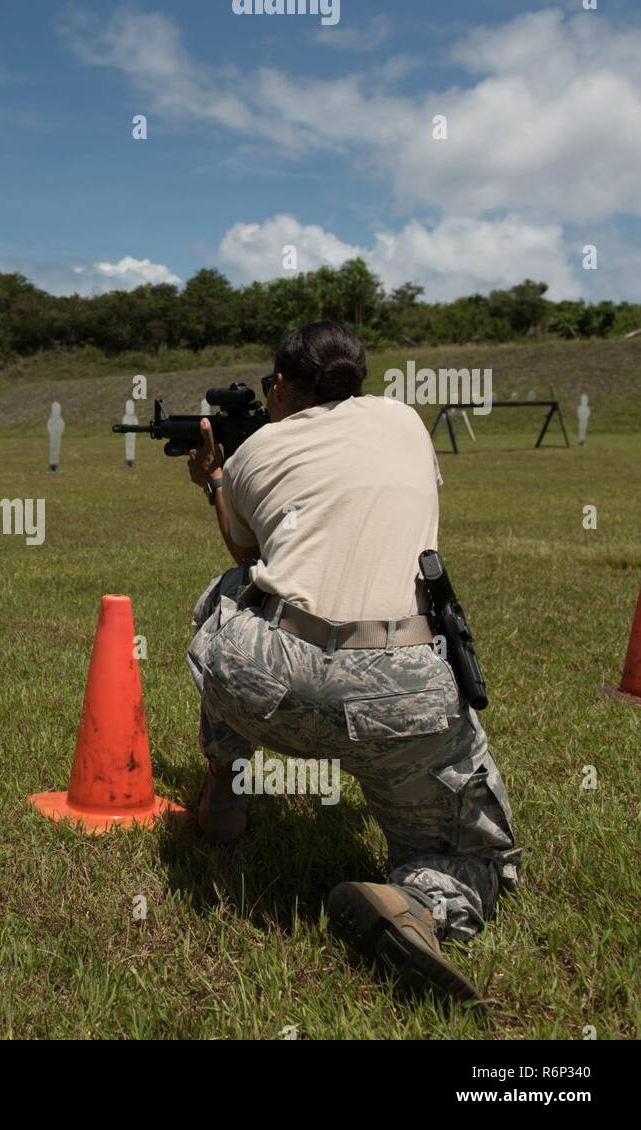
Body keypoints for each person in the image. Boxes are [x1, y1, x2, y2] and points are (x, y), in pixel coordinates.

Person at [185, 320, 520, 1003]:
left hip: (269, 681)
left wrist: (215, 479)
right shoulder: (406, 422)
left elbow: (247, 557)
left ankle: (225, 793)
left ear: (279, 386)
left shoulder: (257, 454)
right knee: (472, 855)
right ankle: (421, 905)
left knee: (223, 598)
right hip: (400, 693)